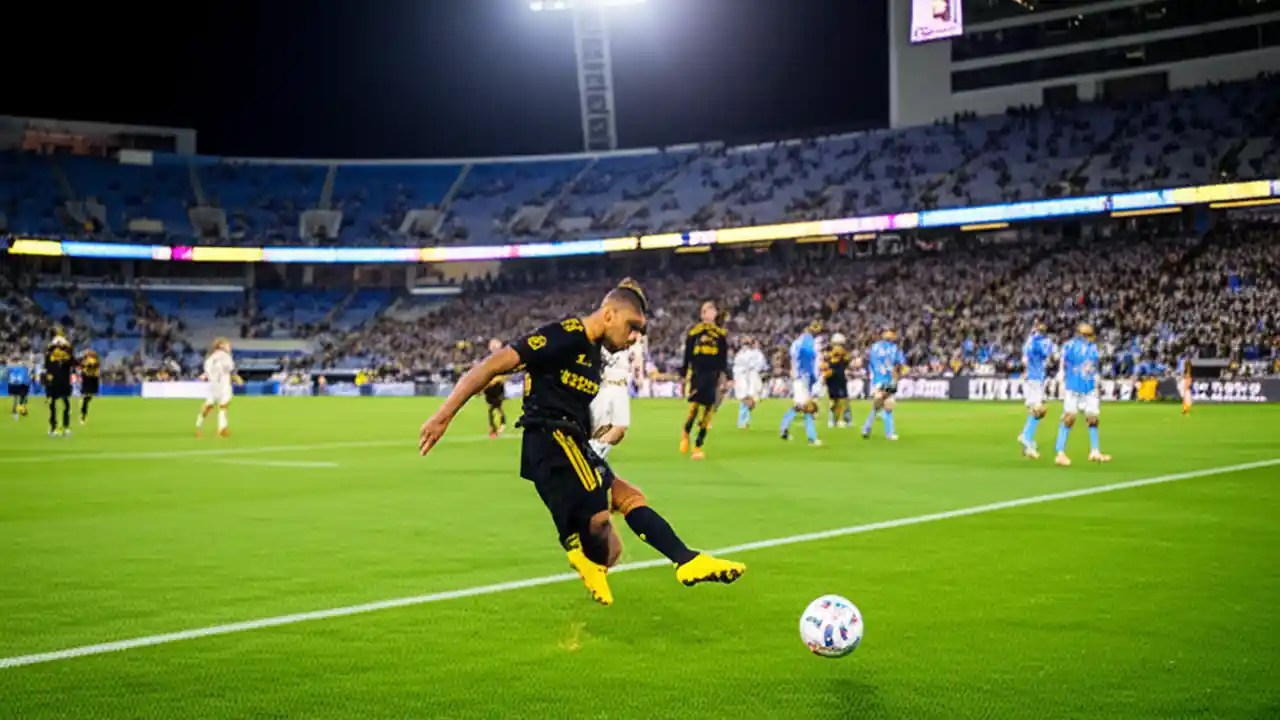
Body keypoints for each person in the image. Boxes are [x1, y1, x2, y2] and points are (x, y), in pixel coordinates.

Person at [418, 279, 745, 606]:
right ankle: (581, 552)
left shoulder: (592, 353)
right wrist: (444, 415)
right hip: (549, 438)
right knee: (599, 521)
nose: (634, 339)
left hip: (572, 442)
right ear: (608, 315)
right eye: (632, 327)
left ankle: (687, 560)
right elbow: (492, 364)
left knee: (625, 511)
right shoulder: (564, 334)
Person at [1054, 323, 1112, 466]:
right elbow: (1061, 360)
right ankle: (1060, 452)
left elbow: (1094, 365)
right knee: (1069, 417)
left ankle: (1095, 451)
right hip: (1073, 385)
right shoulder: (1070, 346)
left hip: (1089, 386)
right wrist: (1061, 373)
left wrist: (1097, 378)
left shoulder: (1092, 348)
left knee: (1092, 418)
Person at [680, 301, 729, 460]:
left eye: (711, 310)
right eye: (705, 311)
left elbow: (723, 358)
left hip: (712, 375)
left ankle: (698, 445)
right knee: (694, 407)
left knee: (709, 410)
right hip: (697, 373)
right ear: (702, 314)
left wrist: (726, 376)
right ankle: (686, 432)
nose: (708, 313)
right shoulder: (694, 332)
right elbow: (687, 354)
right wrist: (684, 372)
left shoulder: (720, 334)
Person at [589, 335, 641, 460]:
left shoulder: (633, 342)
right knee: (602, 429)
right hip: (605, 386)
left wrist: (637, 376)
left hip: (621, 387)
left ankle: (594, 455)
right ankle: (593, 457)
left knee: (620, 429)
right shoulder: (601, 339)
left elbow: (635, 361)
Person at [1017, 322, 1056, 459]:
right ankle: (1026, 437)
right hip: (1035, 379)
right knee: (1039, 410)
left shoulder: (1028, 342)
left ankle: (1027, 443)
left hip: (1029, 378)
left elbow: (1024, 360)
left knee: (1035, 410)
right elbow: (1050, 356)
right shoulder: (1044, 342)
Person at [780, 321, 822, 446]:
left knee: (799, 406)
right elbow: (810, 362)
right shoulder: (808, 342)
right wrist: (814, 379)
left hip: (797, 377)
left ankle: (784, 428)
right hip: (805, 377)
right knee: (808, 408)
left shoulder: (795, 343)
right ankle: (812, 438)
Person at [861, 328, 906, 441]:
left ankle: (866, 428)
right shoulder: (894, 348)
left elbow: (869, 361)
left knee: (878, 405)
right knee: (888, 405)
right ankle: (889, 433)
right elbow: (900, 364)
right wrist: (897, 376)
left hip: (876, 380)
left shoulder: (874, 347)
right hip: (887, 380)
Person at [197, 338, 236, 438]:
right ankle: (221, 429)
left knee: (209, 405)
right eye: (227, 345)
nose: (229, 347)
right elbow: (230, 368)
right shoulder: (226, 356)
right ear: (221, 346)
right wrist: (235, 377)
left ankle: (199, 426)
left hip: (214, 385)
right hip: (223, 385)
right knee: (223, 406)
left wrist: (206, 375)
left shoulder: (211, 357)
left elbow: (208, 370)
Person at [44, 330, 75, 437]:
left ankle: (64, 427)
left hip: (63, 383)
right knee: (54, 405)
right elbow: (47, 366)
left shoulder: (66, 356)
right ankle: (54, 427)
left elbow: (72, 361)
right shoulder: (50, 356)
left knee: (65, 405)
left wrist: (67, 348)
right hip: (54, 383)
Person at [732, 336, 767, 429]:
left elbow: (761, 364)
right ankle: (743, 421)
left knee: (751, 398)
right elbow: (736, 366)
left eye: (747, 343)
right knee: (745, 398)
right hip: (742, 377)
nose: (745, 345)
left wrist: (754, 370)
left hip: (752, 376)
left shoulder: (756, 353)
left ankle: (743, 420)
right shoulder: (740, 354)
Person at [823, 333, 853, 428]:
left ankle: (837, 420)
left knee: (839, 400)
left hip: (834, 378)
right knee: (840, 399)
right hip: (835, 378)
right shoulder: (832, 354)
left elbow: (846, 361)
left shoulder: (832, 354)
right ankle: (841, 420)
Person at [482, 338, 509, 438]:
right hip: (493, 391)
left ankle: (497, 428)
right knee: (496, 409)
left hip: (497, 390)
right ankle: (498, 427)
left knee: (495, 409)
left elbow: (504, 376)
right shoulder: (492, 361)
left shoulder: (501, 362)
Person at [79, 348, 101, 425]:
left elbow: (83, 371)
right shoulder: (93, 362)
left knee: (87, 398)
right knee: (87, 398)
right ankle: (83, 416)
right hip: (90, 380)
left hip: (88, 380)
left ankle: (83, 416)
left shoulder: (87, 362)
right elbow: (97, 374)